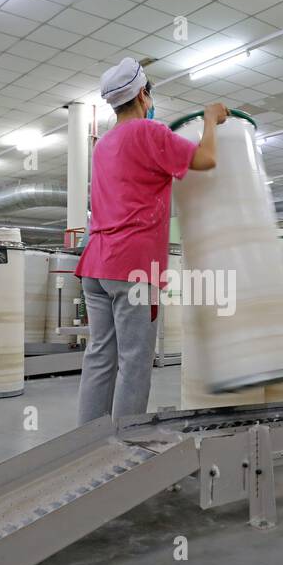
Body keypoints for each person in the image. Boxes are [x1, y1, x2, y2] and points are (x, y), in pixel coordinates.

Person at [75, 57, 228, 424]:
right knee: (135, 360)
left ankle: (87, 441)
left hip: (95, 265)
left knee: (99, 355)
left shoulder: (103, 145)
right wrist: (210, 120)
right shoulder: (150, 132)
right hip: (131, 268)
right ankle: (125, 445)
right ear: (144, 95)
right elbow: (206, 159)